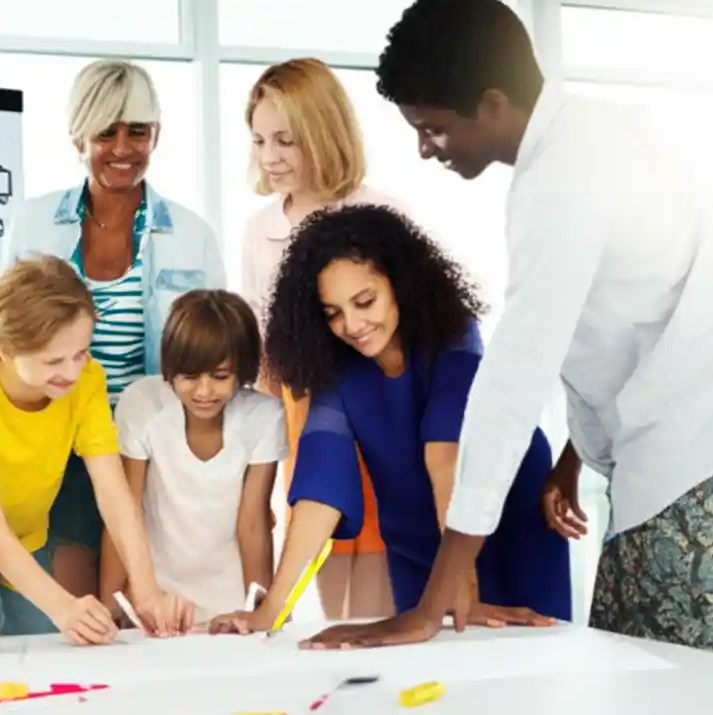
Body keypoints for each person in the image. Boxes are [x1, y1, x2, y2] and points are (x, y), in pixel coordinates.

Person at [304, 0, 713, 669]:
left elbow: (515, 376)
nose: (424, 148)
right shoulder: (589, 138)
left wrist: (432, 602)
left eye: (432, 129)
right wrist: (574, 457)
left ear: (491, 104)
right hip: (694, 435)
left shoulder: (566, 177)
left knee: (705, 686)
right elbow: (629, 318)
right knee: (632, 663)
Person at [208, 205, 570, 635]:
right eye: (333, 313)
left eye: (365, 302)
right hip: (418, 546)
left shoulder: (454, 336)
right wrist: (273, 609)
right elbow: (319, 493)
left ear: (400, 283)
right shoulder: (338, 371)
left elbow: (447, 460)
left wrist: (460, 588)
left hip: (508, 523)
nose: (352, 325)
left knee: (533, 661)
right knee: (430, 684)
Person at [3, 59, 225, 614]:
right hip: (57, 446)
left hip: (150, 450)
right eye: (106, 132)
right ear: (78, 135)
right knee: (74, 616)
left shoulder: (193, 235)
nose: (122, 147)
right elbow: (3, 337)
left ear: (157, 135)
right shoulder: (31, 224)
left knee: (143, 613)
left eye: (137, 131)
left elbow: (216, 350)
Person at [0, 256, 195, 643]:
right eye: (53, 360)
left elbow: (115, 495)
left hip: (24, 533)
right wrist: (64, 607)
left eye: (81, 353)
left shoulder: (88, 380)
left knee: (42, 645)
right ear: (2, 348)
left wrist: (147, 592)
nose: (73, 371)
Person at [239, 57, 403, 619]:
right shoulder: (258, 230)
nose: (270, 156)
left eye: (286, 140)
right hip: (304, 412)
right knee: (325, 551)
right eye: (260, 140)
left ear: (322, 132)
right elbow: (265, 354)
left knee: (383, 568)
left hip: (380, 410)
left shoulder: (378, 212)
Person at [101, 290, 287, 623]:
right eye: (189, 376)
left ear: (242, 370)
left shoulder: (263, 416)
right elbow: (124, 512)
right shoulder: (143, 404)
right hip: (155, 597)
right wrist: (112, 604)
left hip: (229, 599)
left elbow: (253, 523)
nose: (203, 392)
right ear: (170, 369)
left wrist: (258, 609)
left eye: (219, 376)